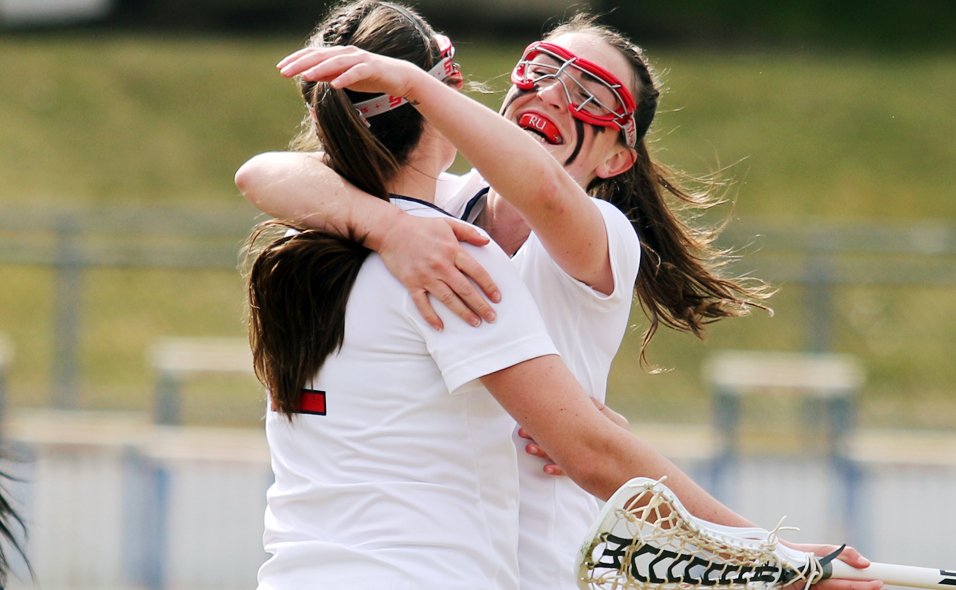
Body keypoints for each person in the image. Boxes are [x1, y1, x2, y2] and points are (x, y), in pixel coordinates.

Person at [244, 4, 878, 590]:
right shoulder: (432, 218)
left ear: (616, 158)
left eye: (591, 94)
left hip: (538, 566)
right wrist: (391, 227)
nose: (552, 92)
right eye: (542, 68)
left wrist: (769, 555)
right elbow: (264, 171)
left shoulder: (602, 237)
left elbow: (545, 192)